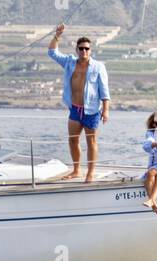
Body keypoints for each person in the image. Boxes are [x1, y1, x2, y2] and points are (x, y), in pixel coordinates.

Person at [47, 25, 110, 183]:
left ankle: (90, 172)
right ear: (76, 50)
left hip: (92, 110)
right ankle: (76, 170)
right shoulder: (69, 62)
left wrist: (106, 110)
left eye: (87, 49)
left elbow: (104, 90)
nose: (84, 52)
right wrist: (57, 35)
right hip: (75, 109)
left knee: (91, 142)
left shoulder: (98, 67)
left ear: (91, 50)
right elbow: (52, 52)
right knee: (73, 140)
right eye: (81, 49)